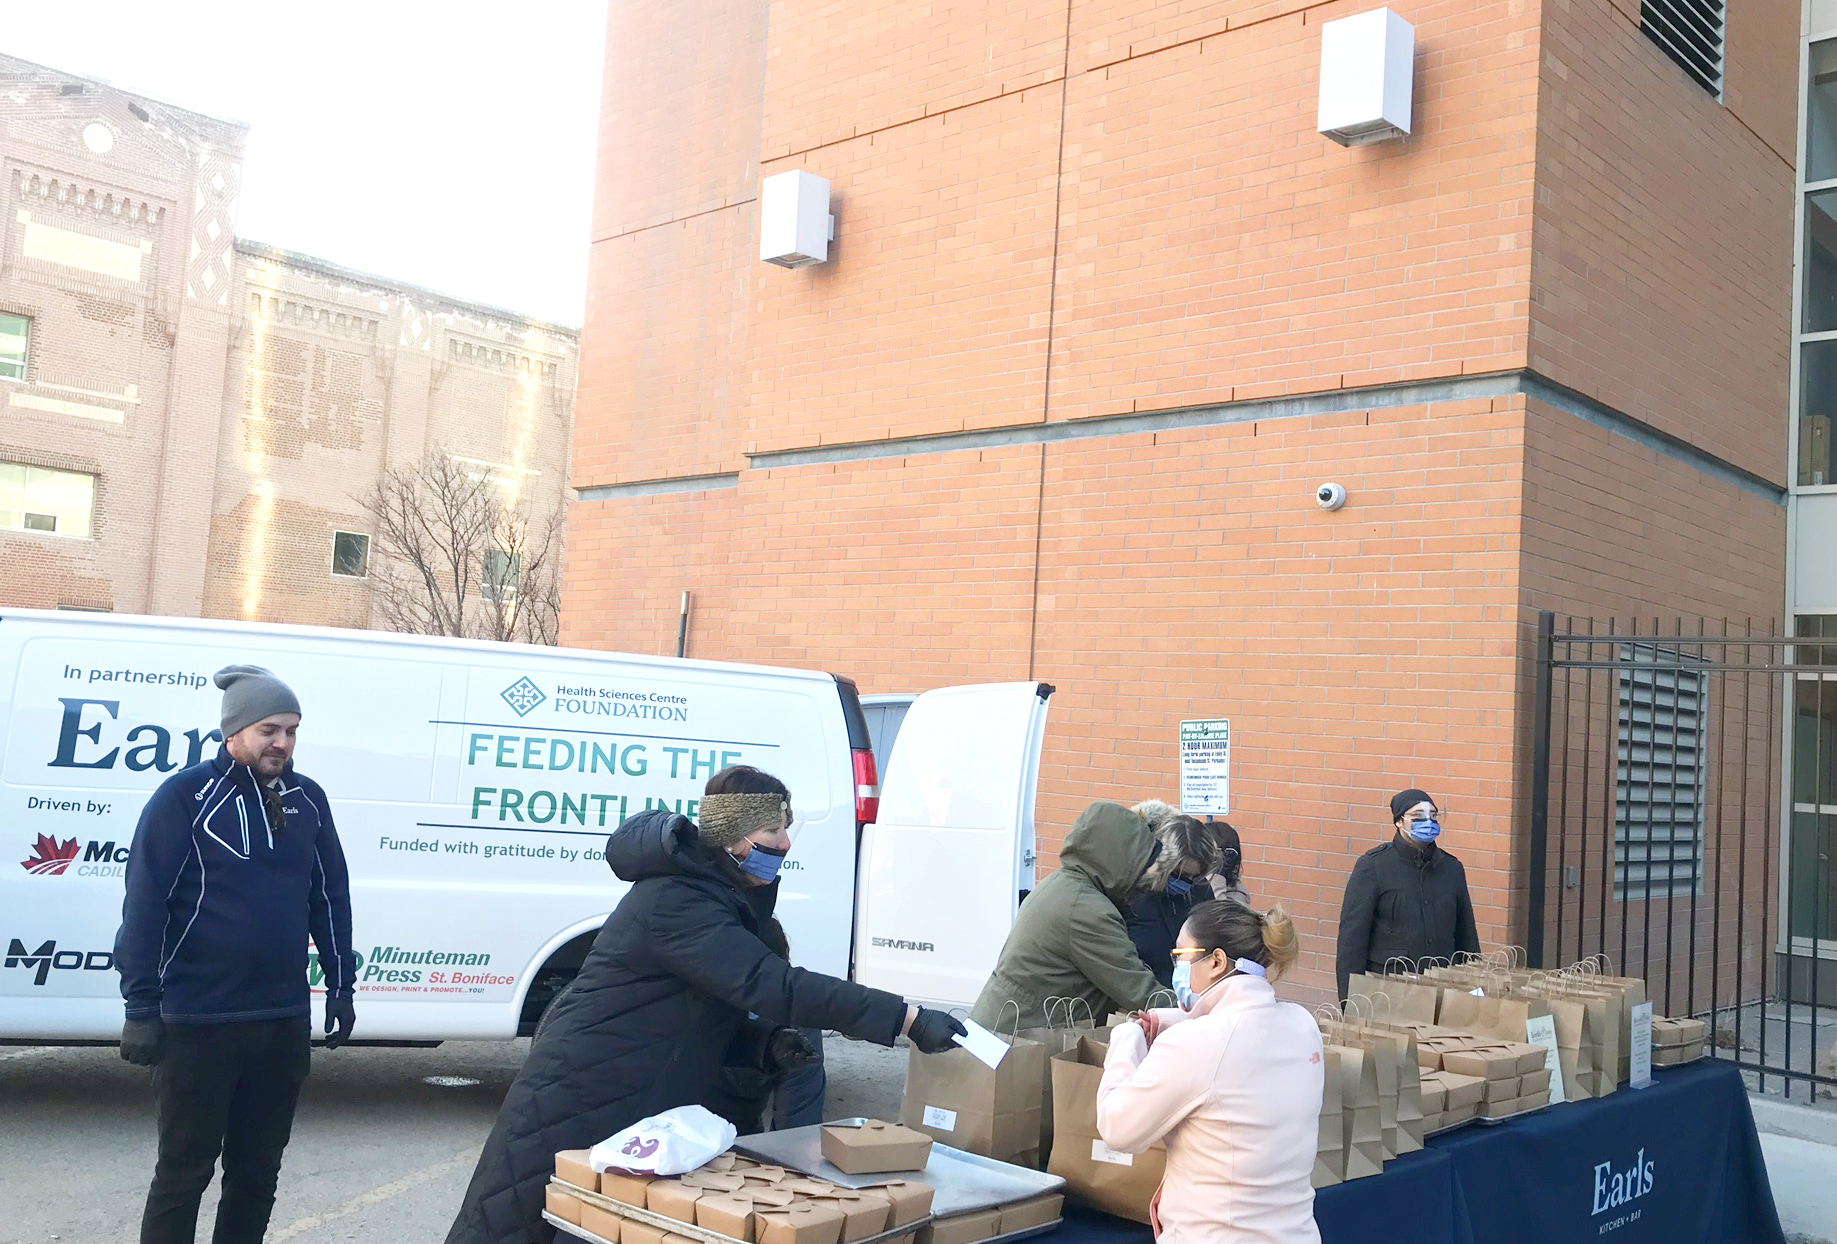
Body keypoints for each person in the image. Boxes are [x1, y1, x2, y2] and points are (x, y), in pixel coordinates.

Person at [445, 765, 966, 1244]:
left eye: (787, 829)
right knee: (516, 1224)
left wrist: (763, 1047)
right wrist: (907, 1017)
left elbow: (694, 1012)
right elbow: (774, 986)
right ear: (735, 840)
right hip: (580, 1096)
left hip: (633, 1094)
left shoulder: (723, 896)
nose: (785, 844)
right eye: (772, 833)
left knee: (592, 1228)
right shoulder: (678, 900)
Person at [114, 665, 356, 1244]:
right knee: (183, 1174)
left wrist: (342, 989)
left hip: (279, 1021)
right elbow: (145, 905)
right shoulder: (184, 797)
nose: (282, 742)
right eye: (269, 729)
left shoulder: (308, 800)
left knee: (257, 1176)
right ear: (234, 732)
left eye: (291, 731)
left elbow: (330, 899)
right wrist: (140, 1008)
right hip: (199, 1021)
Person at [1095, 900, 1321, 1244]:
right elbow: (1235, 1022)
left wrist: (1125, 1040)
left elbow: (1117, 1128)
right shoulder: (1302, 1025)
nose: (1178, 966)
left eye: (1182, 955)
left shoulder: (1197, 1044)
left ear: (1215, 961)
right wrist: (1168, 1019)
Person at [970, 799, 1165, 1031]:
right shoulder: (1087, 910)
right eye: (1141, 863)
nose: (1144, 875)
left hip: (1001, 1029)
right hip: (1013, 1043)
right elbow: (1137, 989)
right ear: (1119, 858)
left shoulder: (1061, 883)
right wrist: (1200, 1014)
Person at [1334, 787, 1481, 1003]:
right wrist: (1349, 1001)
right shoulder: (1373, 866)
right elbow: (1352, 940)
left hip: (1444, 989)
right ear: (1399, 822)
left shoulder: (1451, 869)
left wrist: (1476, 989)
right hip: (1389, 990)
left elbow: (1466, 935)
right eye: (1418, 817)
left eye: (1433, 816)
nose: (1428, 822)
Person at [1125, 803, 1223, 989]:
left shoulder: (1200, 890)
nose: (1187, 883)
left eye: (1195, 876)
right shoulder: (1129, 893)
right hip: (1140, 1002)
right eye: (1179, 875)